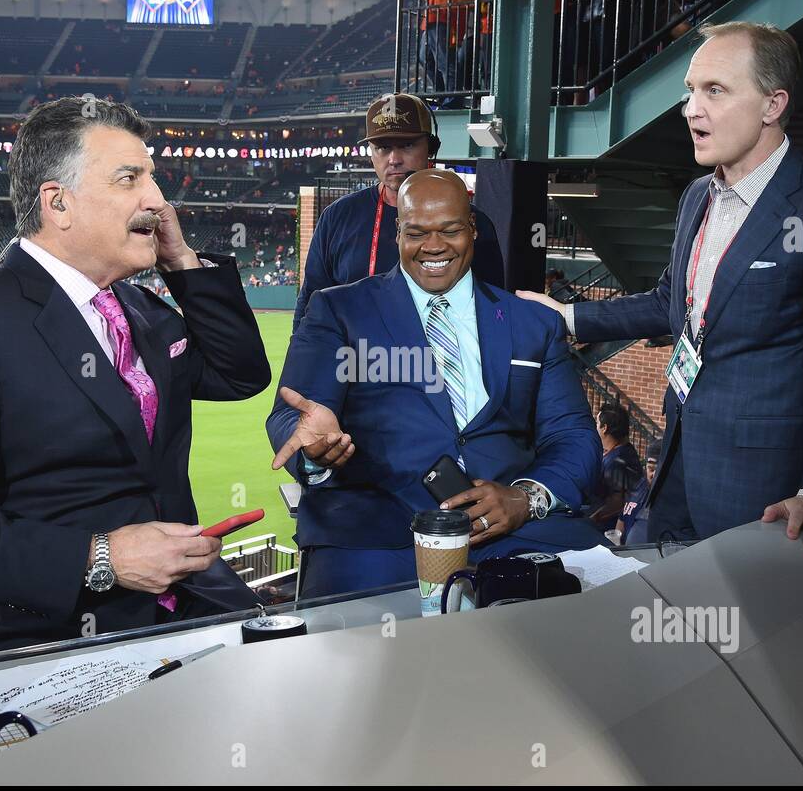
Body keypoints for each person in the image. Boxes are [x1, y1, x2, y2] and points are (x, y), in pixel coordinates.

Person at [0, 97, 269, 660]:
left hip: (188, 610)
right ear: (58, 203)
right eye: (130, 179)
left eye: (152, 179)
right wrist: (100, 558)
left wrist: (182, 266)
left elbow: (240, 374)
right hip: (41, 639)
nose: (157, 201)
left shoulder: (143, 311)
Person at [518, 21, 803, 549]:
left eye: (714, 90)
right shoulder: (697, 196)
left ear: (772, 105)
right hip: (676, 468)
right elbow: (673, 303)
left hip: (767, 500)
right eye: (690, 91)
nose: (691, 109)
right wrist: (570, 318)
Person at [267, 170, 604, 597]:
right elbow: (293, 416)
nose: (433, 246)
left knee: (605, 615)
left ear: (473, 230)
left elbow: (574, 436)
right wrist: (315, 451)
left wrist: (524, 498)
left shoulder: (533, 323)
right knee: (357, 654)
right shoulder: (338, 310)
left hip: (514, 535)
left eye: (449, 230)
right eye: (416, 232)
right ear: (397, 233)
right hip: (373, 538)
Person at [292, 93, 505, 329]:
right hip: (354, 360)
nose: (394, 159)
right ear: (371, 153)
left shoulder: (472, 223)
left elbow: (493, 308)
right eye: (382, 147)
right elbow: (311, 302)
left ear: (430, 148)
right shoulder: (337, 217)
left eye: (407, 145)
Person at [585, 402, 643, 530]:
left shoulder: (616, 462)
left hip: (606, 528)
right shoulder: (627, 450)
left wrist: (590, 520)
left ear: (604, 428)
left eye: (597, 424)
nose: (595, 428)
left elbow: (618, 502)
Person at [620, 439, 661, 544]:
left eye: (658, 469)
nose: (653, 475)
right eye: (650, 469)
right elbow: (622, 519)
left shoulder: (669, 502)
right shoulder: (638, 486)